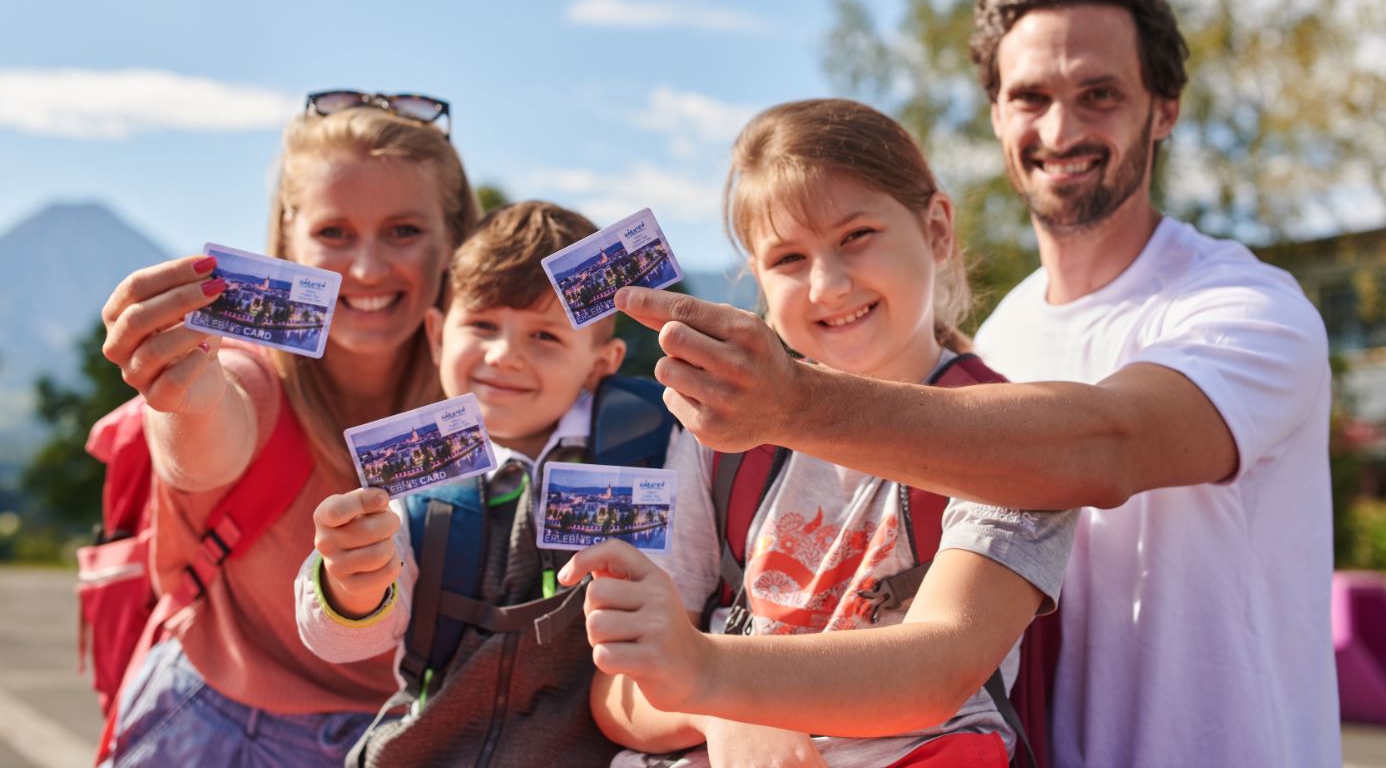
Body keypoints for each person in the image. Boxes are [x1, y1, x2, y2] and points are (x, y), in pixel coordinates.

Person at [606, 0, 1338, 768]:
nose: (1061, 129)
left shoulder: (1249, 310)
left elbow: (1103, 447)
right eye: (1030, 97)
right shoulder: (1007, 334)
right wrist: (722, 706)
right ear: (996, 115)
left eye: (1099, 94)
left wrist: (790, 406)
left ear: (1163, 108)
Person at [567, 99, 1075, 768]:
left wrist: (715, 677)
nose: (829, 285)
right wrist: (718, 713)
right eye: (787, 259)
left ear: (938, 230)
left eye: (857, 235)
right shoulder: (712, 435)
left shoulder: (1009, 434)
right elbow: (617, 697)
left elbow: (937, 671)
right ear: (757, 281)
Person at [98, 96, 479, 766]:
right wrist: (183, 390)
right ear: (287, 241)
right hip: (222, 736)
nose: (364, 268)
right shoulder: (251, 374)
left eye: (402, 231)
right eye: (334, 233)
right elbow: (206, 437)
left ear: (452, 241)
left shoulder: (494, 391)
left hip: (418, 743)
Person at [296, 200, 631, 766]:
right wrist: (349, 583)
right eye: (481, 325)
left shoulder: (645, 457)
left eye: (545, 337)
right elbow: (342, 641)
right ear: (436, 334)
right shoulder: (417, 466)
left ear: (601, 363)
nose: (503, 356)